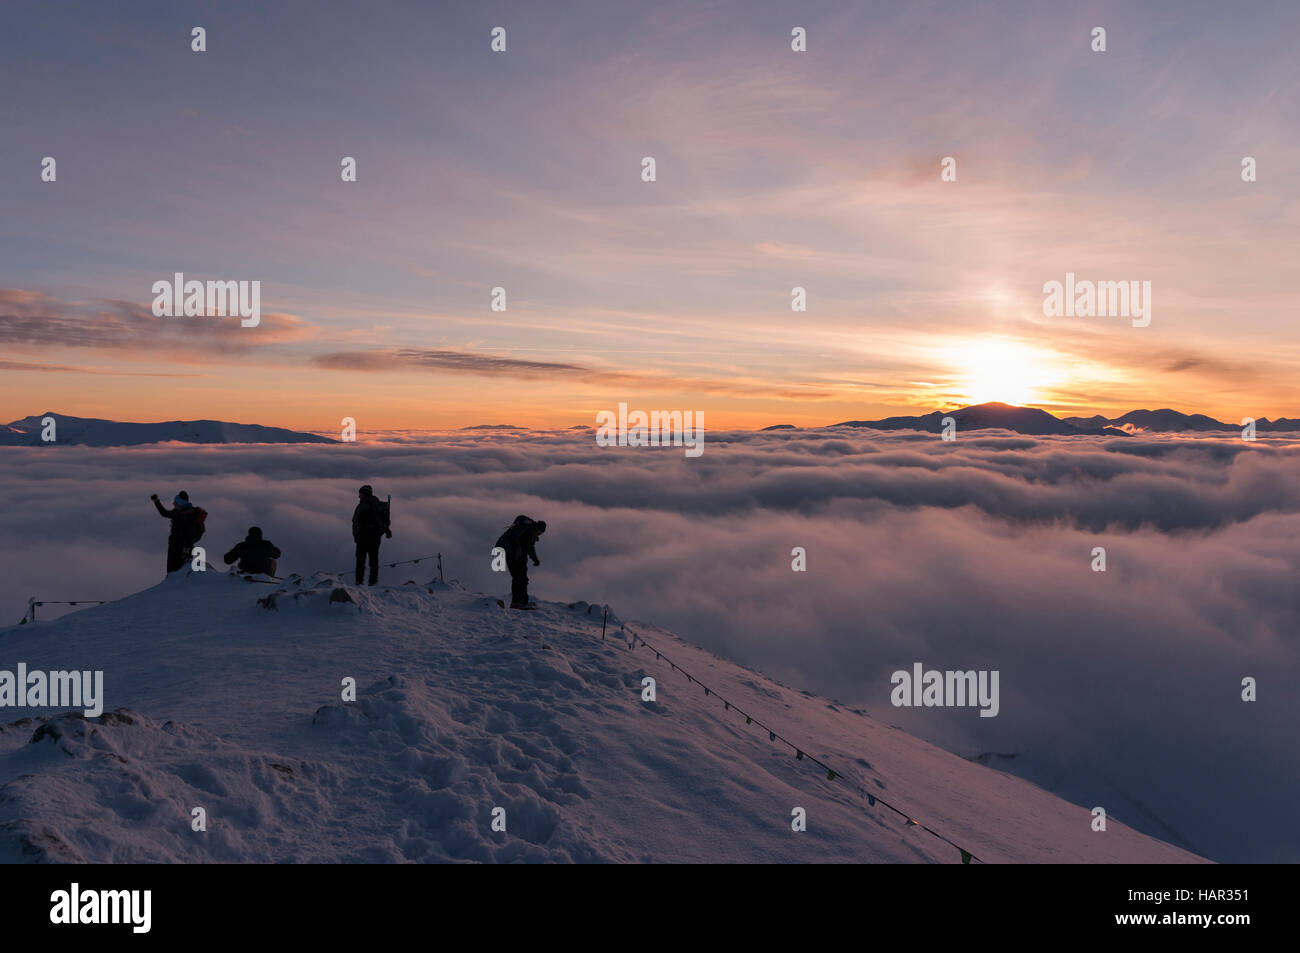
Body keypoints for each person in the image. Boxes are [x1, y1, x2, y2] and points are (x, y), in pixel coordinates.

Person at [495, 515, 546, 609]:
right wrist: (535, 559)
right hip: (517, 558)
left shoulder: (524, 529)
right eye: (540, 533)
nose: (539, 535)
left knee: (517, 579)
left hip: (508, 554)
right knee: (521, 580)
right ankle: (520, 602)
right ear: (540, 530)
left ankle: (516, 602)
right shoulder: (531, 532)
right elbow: (529, 548)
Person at [151, 491, 206, 574]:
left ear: (181, 503)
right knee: (175, 573)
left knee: (176, 573)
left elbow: (190, 535)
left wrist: (186, 552)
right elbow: (164, 513)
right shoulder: (178, 512)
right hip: (177, 547)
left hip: (180, 550)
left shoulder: (188, 516)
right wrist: (156, 501)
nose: (173, 504)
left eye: (175, 502)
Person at [352, 485, 391, 586]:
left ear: (365, 494)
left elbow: (355, 522)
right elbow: (384, 520)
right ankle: (373, 582)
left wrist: (355, 537)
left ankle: (359, 581)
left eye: (360, 494)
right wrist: (385, 531)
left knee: (361, 561)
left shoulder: (362, 506)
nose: (359, 496)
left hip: (362, 538)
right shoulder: (378, 505)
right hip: (375, 538)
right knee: (373, 561)